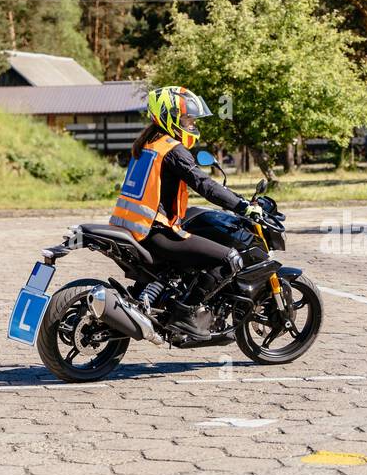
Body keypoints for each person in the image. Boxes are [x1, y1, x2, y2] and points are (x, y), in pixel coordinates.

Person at [108, 85, 263, 334]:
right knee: (229, 259)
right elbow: (204, 184)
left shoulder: (148, 144)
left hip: (130, 227)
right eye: (187, 119)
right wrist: (242, 205)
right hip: (154, 231)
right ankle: (185, 313)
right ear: (170, 118)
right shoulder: (172, 149)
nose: (191, 124)